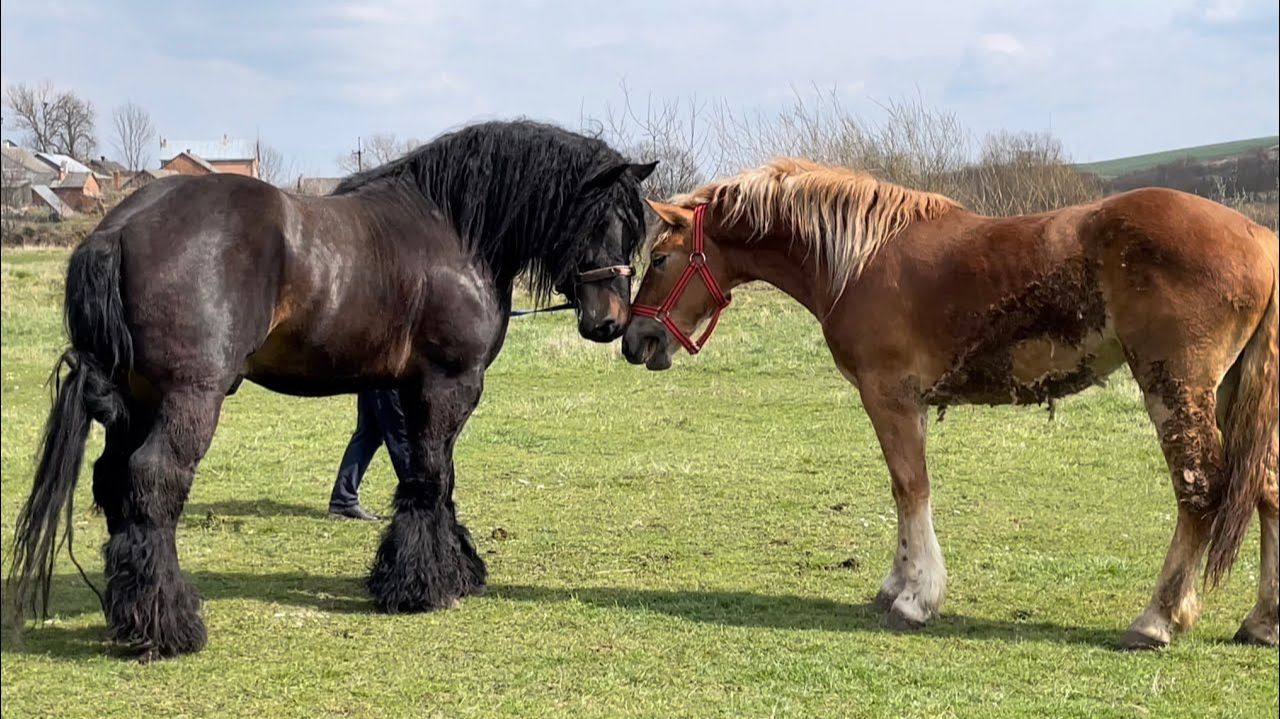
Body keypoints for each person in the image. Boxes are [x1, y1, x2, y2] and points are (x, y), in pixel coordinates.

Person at [329, 389, 413, 520]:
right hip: (386, 378)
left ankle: (343, 499)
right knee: (399, 436)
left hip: (370, 375)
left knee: (369, 434)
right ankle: (417, 502)